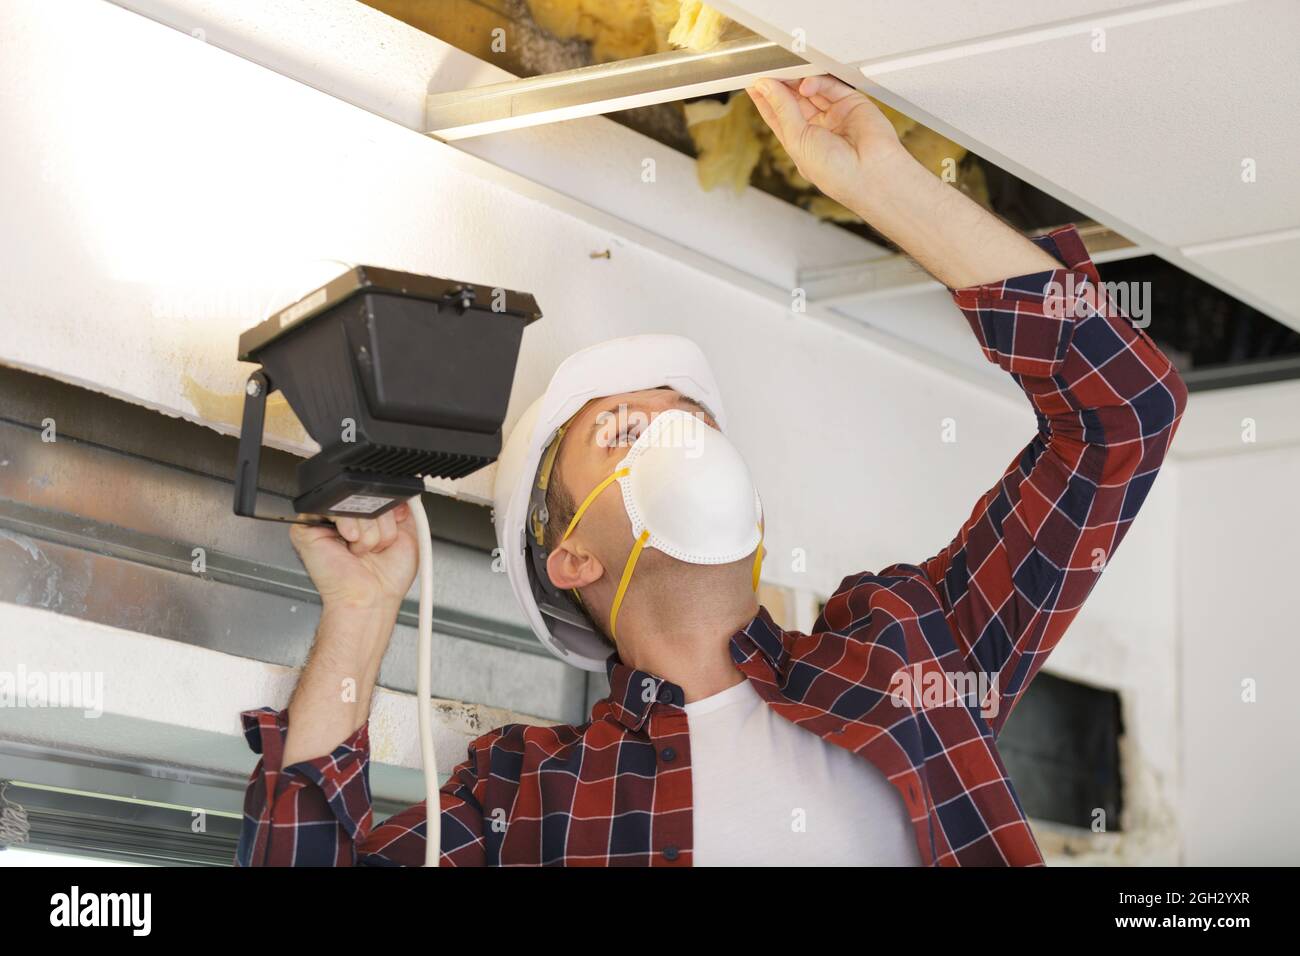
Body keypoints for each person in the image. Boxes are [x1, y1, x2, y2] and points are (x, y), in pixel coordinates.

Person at [236, 75, 1187, 866]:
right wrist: (360, 617)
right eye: (621, 430)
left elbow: (1124, 414)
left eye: (690, 420)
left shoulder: (908, 657)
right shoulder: (530, 802)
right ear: (569, 557)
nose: (676, 436)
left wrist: (886, 186)